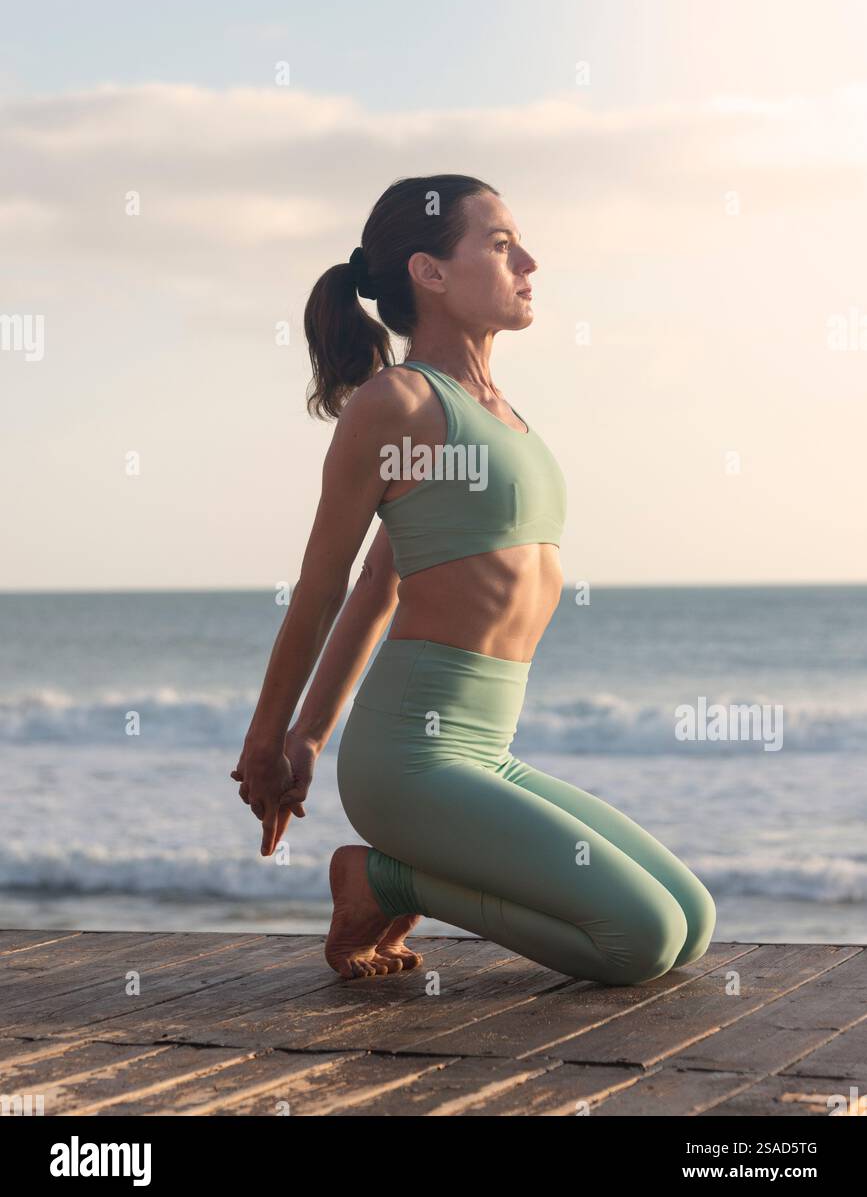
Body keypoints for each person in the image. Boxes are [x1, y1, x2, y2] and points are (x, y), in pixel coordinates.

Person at [232, 174, 716, 982]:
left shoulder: (503, 415)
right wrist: (276, 745)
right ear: (429, 272)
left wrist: (310, 732)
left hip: (487, 750)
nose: (527, 260)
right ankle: (380, 878)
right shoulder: (397, 402)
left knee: (689, 923)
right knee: (637, 941)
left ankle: (387, 876)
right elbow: (323, 589)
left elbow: (383, 584)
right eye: (499, 244)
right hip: (410, 760)